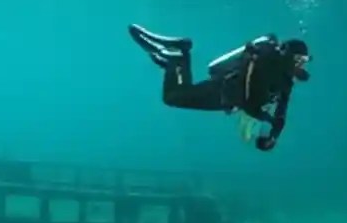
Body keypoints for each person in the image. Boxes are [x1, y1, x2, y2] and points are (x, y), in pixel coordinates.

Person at [128, 24, 310, 152]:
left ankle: (177, 59)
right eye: (299, 60)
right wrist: (267, 121)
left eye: (303, 62)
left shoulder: (284, 79)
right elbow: (250, 99)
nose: (301, 66)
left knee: (177, 95)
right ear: (288, 56)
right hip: (221, 92)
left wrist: (274, 134)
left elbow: (281, 109)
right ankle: (177, 58)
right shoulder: (266, 62)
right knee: (173, 97)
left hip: (225, 98)